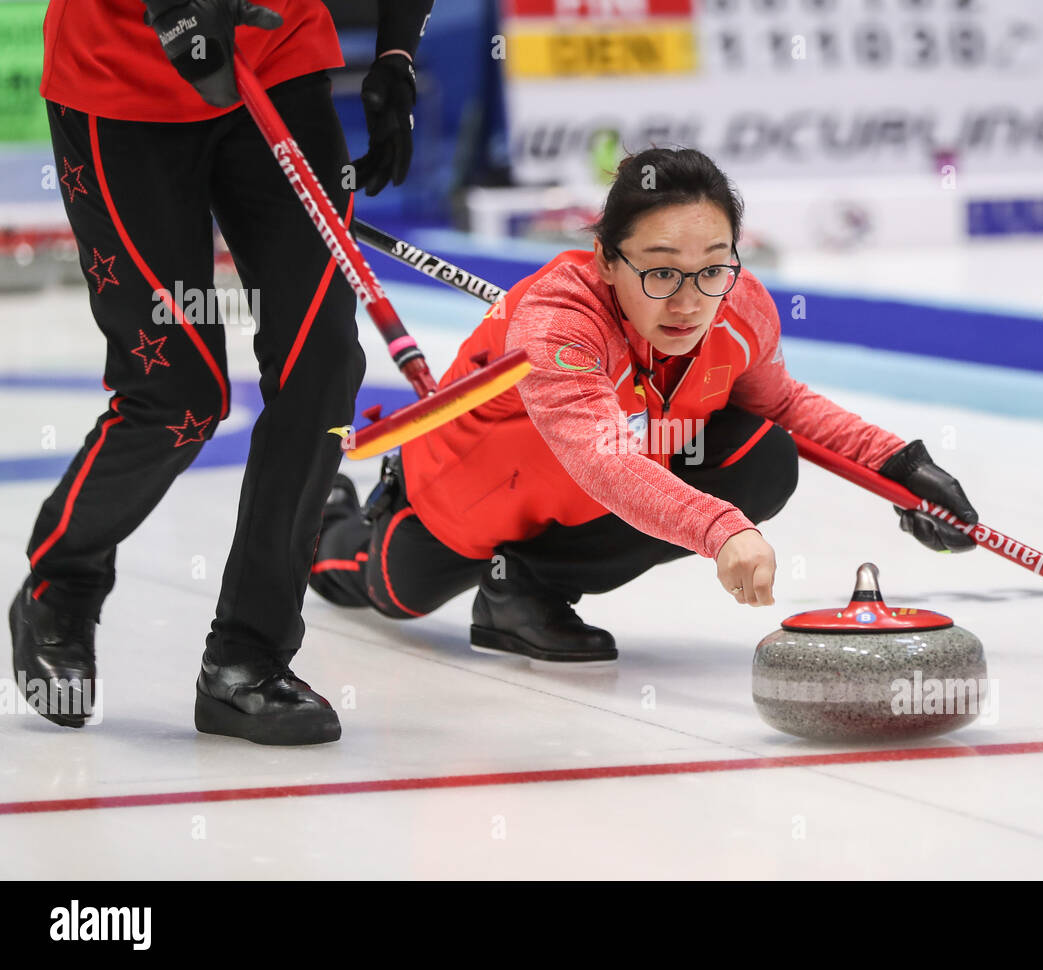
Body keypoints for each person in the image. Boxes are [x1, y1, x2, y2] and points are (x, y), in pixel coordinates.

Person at [311, 147, 980, 664]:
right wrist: (722, 530)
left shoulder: (738, 308)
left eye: (714, 266)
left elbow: (782, 404)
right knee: (390, 591)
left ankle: (524, 589)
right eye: (660, 270)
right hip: (457, 506)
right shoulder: (556, 323)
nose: (690, 300)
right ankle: (332, 514)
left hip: (579, 506)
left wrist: (900, 467)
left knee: (763, 457)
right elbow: (601, 459)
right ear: (605, 260)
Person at [10, 0, 435, 744]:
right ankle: (63, 579)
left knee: (322, 365)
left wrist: (396, 56)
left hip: (278, 56)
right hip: (121, 78)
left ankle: (248, 657)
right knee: (178, 394)